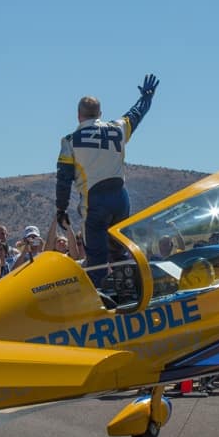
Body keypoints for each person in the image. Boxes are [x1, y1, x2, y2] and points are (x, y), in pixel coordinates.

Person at [55, 73, 159, 285]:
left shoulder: (70, 141)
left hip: (94, 202)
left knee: (97, 258)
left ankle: (101, 298)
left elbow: (63, 179)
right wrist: (146, 98)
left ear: (78, 115)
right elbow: (136, 114)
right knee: (119, 252)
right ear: (100, 114)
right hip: (121, 199)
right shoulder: (117, 129)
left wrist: (61, 209)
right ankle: (130, 290)